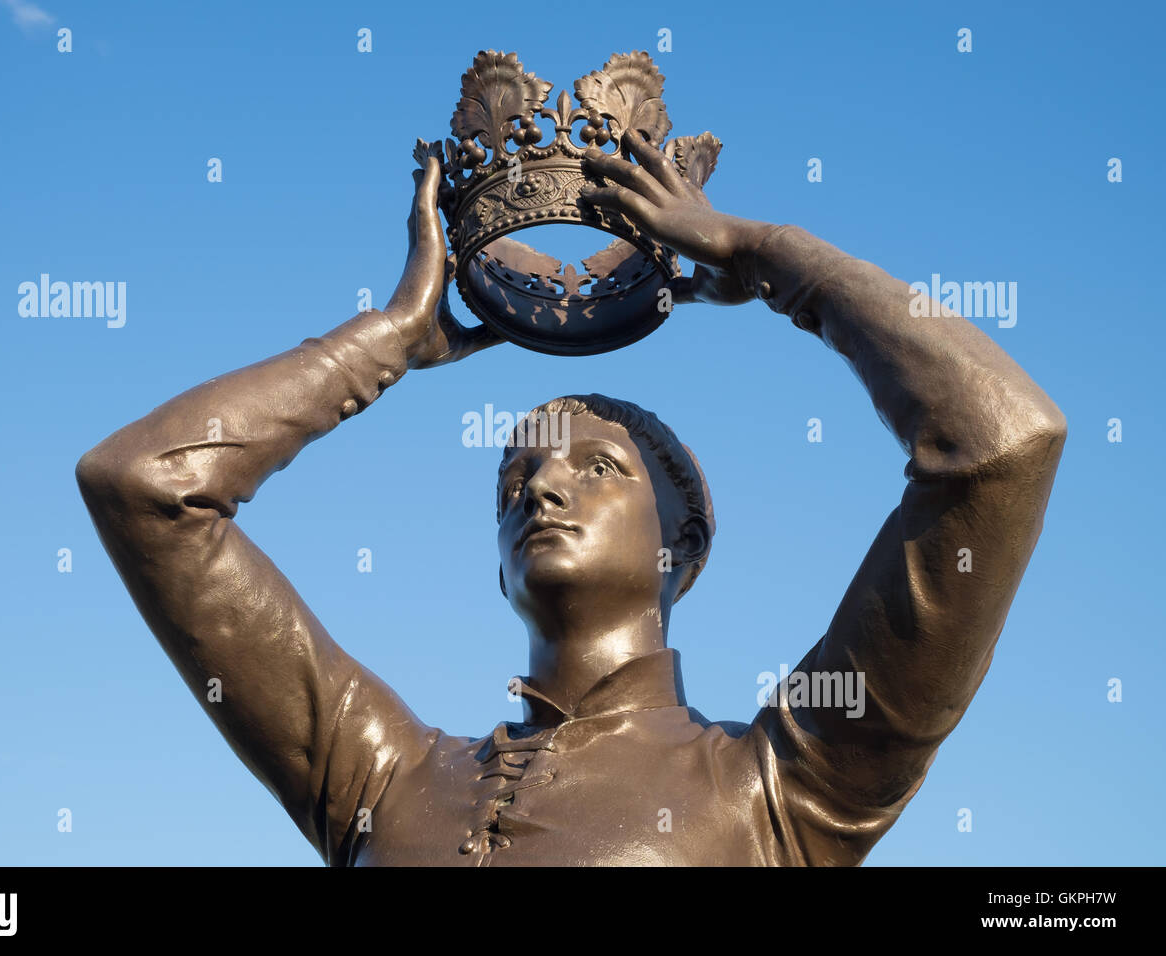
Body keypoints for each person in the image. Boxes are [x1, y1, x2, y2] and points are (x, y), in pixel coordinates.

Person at [76, 129, 1066, 865]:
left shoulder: (780, 783)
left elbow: (1000, 442)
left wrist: (760, 253)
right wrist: (382, 342)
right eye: (516, 474)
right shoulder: (384, 771)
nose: (543, 479)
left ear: (683, 542)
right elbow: (146, 487)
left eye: (598, 466)